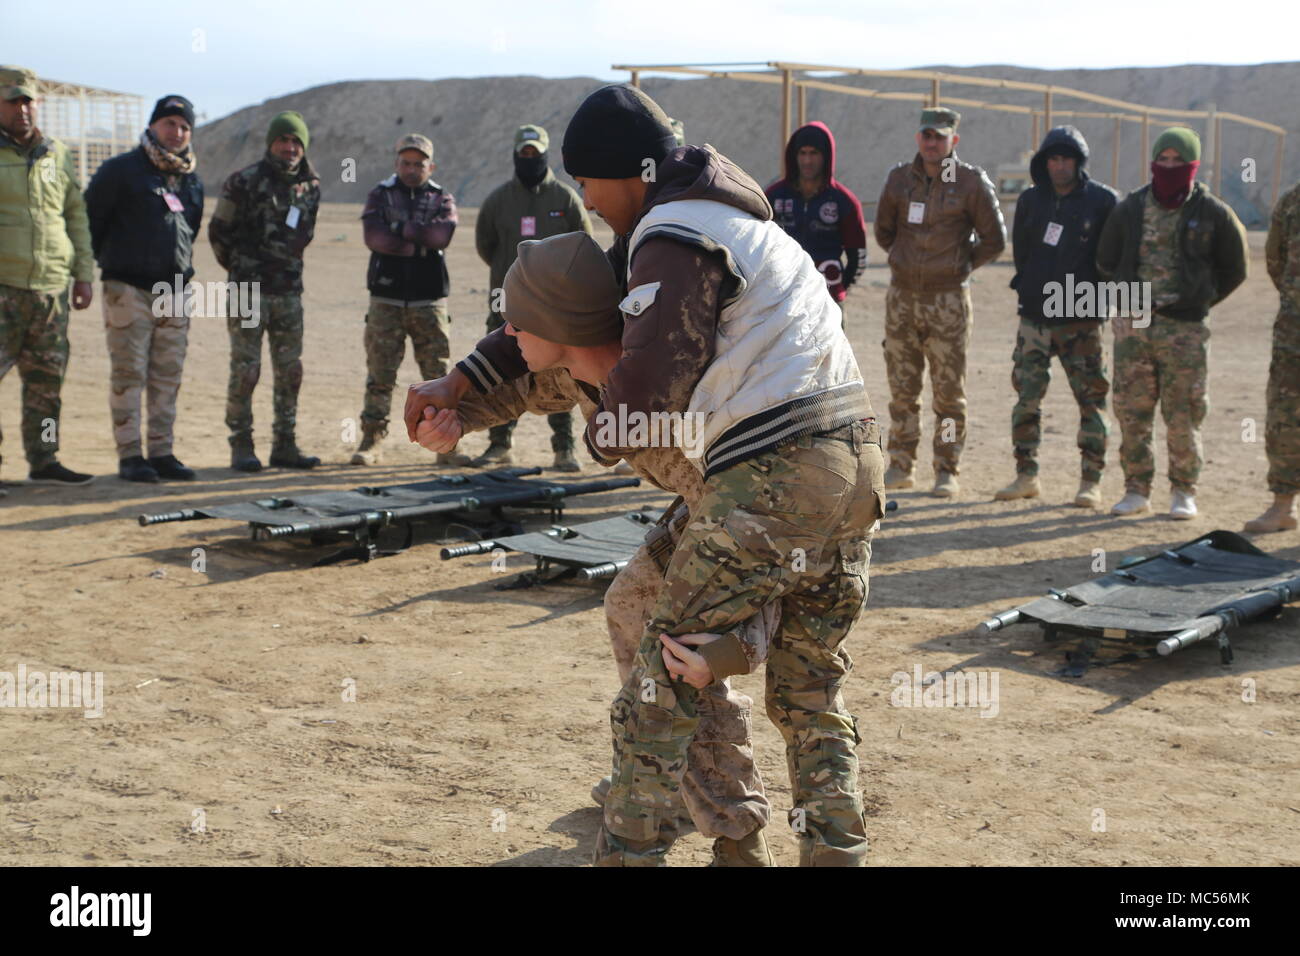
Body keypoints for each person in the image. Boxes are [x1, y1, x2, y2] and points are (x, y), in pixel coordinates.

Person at [407, 85, 883, 866]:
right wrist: (458, 390)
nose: (588, 205)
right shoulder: (703, 231)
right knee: (782, 681)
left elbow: (640, 390)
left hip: (773, 468)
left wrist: (601, 407)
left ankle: (643, 841)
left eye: (589, 186)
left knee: (659, 693)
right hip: (850, 457)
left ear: (626, 173)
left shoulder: (674, 232)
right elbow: (533, 357)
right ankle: (773, 833)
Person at [416, 231, 779, 865]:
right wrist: (453, 415)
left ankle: (733, 822)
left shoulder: (674, 375)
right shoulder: (575, 369)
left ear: (561, 322)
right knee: (631, 603)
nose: (507, 332)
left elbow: (760, 499)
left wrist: (745, 631)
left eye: (519, 320)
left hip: (751, 516)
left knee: (688, 655)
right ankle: (659, 789)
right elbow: (515, 390)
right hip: (698, 511)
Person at [1096, 126, 1248, 519]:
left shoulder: (1212, 212)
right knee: (1132, 411)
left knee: (1184, 413)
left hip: (1184, 331)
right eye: (1162, 160)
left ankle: (1183, 490)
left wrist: (1199, 302)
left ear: (1192, 165)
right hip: (1135, 327)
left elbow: (1234, 268)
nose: (1168, 167)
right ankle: (1136, 489)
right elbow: (1106, 259)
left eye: (1177, 161)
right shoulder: (1130, 208)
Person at [874, 107, 1006, 498]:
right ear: (918, 138)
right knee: (902, 388)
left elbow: (994, 240)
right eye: (927, 135)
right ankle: (901, 464)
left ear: (954, 141)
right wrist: (905, 261)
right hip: (902, 299)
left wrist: (957, 268)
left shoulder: (969, 183)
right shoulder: (899, 180)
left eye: (940, 137)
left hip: (947, 301)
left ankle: (947, 468)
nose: (932, 143)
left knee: (948, 393)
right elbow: (884, 231)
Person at [996, 126, 1118, 507]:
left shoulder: (1103, 201)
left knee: (1090, 400)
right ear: (1044, 162)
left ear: (1078, 162)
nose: (1059, 166)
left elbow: (1112, 258)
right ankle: (1026, 475)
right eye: (1053, 158)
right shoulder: (1033, 201)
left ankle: (1090, 481)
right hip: (1035, 317)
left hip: (1081, 317)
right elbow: (1023, 252)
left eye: (1066, 159)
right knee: (1027, 399)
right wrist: (1032, 287)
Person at [85, 94, 204, 483]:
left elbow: (192, 229)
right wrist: (116, 264)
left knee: (167, 375)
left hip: (174, 290)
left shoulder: (191, 180)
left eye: (184, 126)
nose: (177, 132)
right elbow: (93, 223)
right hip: (128, 289)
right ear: (153, 126)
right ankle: (130, 455)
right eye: (170, 123)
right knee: (128, 373)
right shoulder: (120, 171)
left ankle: (162, 451)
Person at [471, 124, 591, 471]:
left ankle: (564, 449)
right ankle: (498, 444)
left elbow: (583, 245)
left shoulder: (565, 199)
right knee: (500, 373)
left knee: (561, 375)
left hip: (555, 308)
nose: (530, 158)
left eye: (535, 153)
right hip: (508, 307)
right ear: (515, 154)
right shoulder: (498, 201)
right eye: (524, 153)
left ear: (545, 154)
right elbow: (486, 246)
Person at [209, 110, 321, 472]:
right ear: (270, 143)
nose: (289, 148)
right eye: (282, 140)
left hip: (289, 293)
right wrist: (242, 269)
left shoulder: (311, 187)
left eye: (295, 142)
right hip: (248, 291)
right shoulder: (242, 182)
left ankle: (285, 445)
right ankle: (241, 445)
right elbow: (219, 233)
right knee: (247, 371)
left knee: (290, 372)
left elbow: (305, 235)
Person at [0, 64, 95, 490]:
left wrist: (83, 273)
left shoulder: (57, 153)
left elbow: (74, 213)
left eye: (28, 101)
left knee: (47, 382)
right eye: (12, 101)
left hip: (51, 289)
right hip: (3, 286)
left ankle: (45, 458)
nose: (22, 109)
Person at [350, 133, 465, 467]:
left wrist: (400, 229)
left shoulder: (442, 197)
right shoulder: (380, 194)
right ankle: (372, 440)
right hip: (385, 299)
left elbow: (441, 235)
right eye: (406, 163)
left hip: (429, 301)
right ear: (396, 163)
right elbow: (375, 238)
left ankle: (446, 446)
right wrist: (418, 240)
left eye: (419, 164)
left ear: (431, 166)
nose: (412, 169)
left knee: (438, 376)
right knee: (379, 375)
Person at [1244, 180, 1300, 533]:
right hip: (1293, 331)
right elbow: (1275, 258)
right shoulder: (1292, 201)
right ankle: (1283, 506)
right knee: (1284, 417)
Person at [766, 122, 867, 306]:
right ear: (794, 156)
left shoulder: (844, 201)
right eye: (802, 153)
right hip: (780, 300)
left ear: (826, 156)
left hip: (826, 302)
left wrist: (838, 292)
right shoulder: (772, 197)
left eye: (814, 153)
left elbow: (858, 257)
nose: (807, 160)